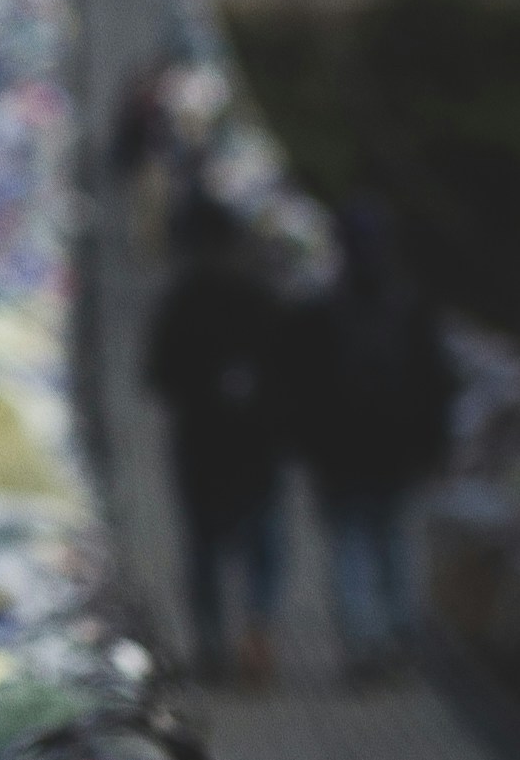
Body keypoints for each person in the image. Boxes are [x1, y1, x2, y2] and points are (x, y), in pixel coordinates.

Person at [290, 196, 454, 684]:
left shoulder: (323, 309)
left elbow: (306, 387)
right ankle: (400, 635)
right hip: (399, 451)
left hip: (341, 455)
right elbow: (437, 383)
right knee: (396, 543)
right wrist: (435, 445)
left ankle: (364, 644)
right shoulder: (412, 307)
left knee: (350, 548)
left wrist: (308, 444)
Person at [145, 195, 297, 685]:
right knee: (262, 550)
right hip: (258, 449)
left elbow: (158, 375)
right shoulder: (263, 299)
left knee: (205, 551)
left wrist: (201, 392)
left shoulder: (182, 301)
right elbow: (290, 374)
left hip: (201, 448)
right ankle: (257, 633)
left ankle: (211, 645)